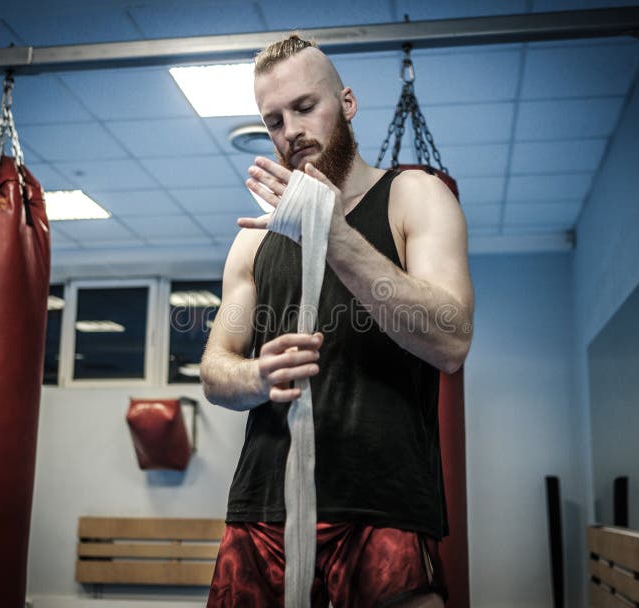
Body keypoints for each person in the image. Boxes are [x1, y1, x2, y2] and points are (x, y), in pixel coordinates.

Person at [200, 34, 474, 608]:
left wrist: (335, 235)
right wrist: (255, 377)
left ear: (346, 104)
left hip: (382, 508)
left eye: (305, 107)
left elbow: (451, 341)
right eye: (273, 120)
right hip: (263, 510)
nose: (291, 130)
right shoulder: (254, 241)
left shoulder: (413, 197)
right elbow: (215, 368)